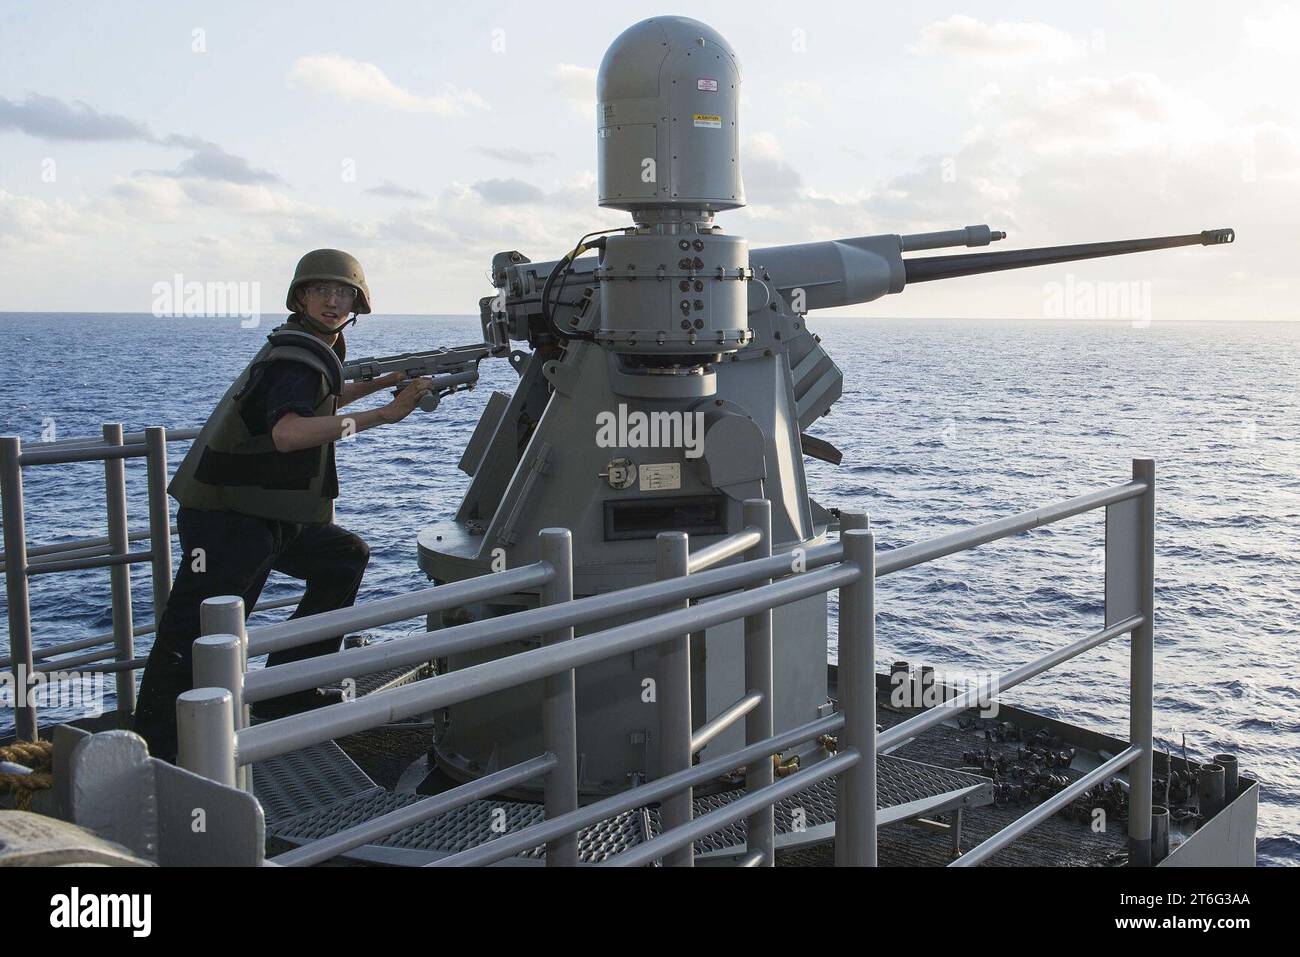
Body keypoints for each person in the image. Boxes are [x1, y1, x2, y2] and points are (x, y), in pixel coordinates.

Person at [133, 248, 437, 763]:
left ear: (356, 303)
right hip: (230, 518)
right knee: (201, 631)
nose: (333, 301)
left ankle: (286, 691)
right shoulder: (297, 357)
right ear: (300, 297)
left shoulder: (307, 348)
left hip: (268, 514)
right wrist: (386, 415)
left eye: (343, 293)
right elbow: (290, 432)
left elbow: (322, 396)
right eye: (322, 291)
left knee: (344, 557)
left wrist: (383, 382)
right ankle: (156, 751)